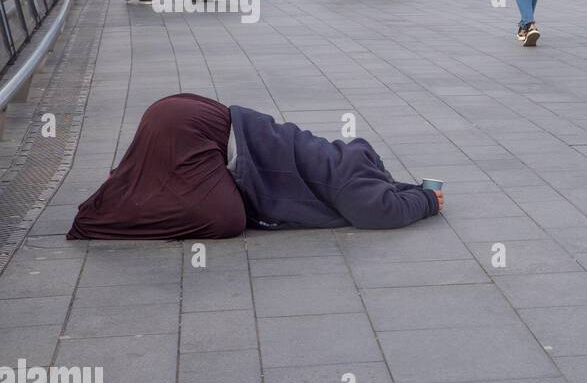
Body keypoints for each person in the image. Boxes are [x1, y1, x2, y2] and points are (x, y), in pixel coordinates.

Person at [68, 93, 444, 240]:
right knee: (224, 219)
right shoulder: (349, 179)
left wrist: (410, 187)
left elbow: (384, 191)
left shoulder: (345, 161)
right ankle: (105, 212)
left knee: (222, 210)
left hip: (194, 115)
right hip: (199, 128)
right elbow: (377, 211)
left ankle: (130, 179)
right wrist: (428, 202)